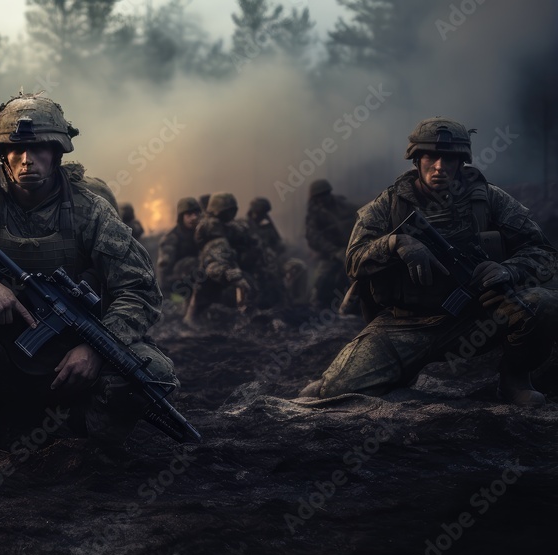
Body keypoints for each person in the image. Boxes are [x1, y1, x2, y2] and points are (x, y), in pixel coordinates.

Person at [0, 92, 178, 496]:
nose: (28, 159)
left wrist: (97, 348)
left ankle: (78, 435)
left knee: (152, 374)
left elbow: (140, 290)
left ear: (57, 152)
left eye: (39, 148)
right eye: (17, 149)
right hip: (1, 357)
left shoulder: (90, 211)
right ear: (2, 155)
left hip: (70, 363)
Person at [299, 117, 558, 405]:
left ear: (462, 162)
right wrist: (395, 243)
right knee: (337, 391)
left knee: (542, 304)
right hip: (406, 325)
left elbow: (544, 253)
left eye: (449, 158)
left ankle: (515, 381)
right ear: (415, 159)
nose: (439, 166)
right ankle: (390, 374)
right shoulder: (389, 204)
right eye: (430, 156)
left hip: (475, 320)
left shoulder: (488, 198)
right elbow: (353, 260)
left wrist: (507, 270)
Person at [184, 193, 253, 324]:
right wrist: (235, 277)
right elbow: (214, 265)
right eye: (229, 211)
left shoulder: (225, 226)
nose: (232, 214)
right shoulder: (213, 233)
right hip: (210, 286)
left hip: (215, 285)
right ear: (220, 211)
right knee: (197, 320)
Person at [305, 179, 358, 310]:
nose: (322, 199)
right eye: (319, 196)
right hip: (329, 253)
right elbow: (314, 237)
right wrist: (335, 251)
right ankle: (317, 303)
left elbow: (360, 220)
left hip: (351, 246)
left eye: (324, 195)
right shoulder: (314, 214)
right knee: (322, 277)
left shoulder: (344, 205)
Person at [156, 197, 201, 296]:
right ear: (181, 217)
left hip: (198, 286)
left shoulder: (201, 234)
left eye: (196, 213)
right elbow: (163, 276)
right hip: (176, 292)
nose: (194, 217)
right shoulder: (171, 239)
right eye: (189, 214)